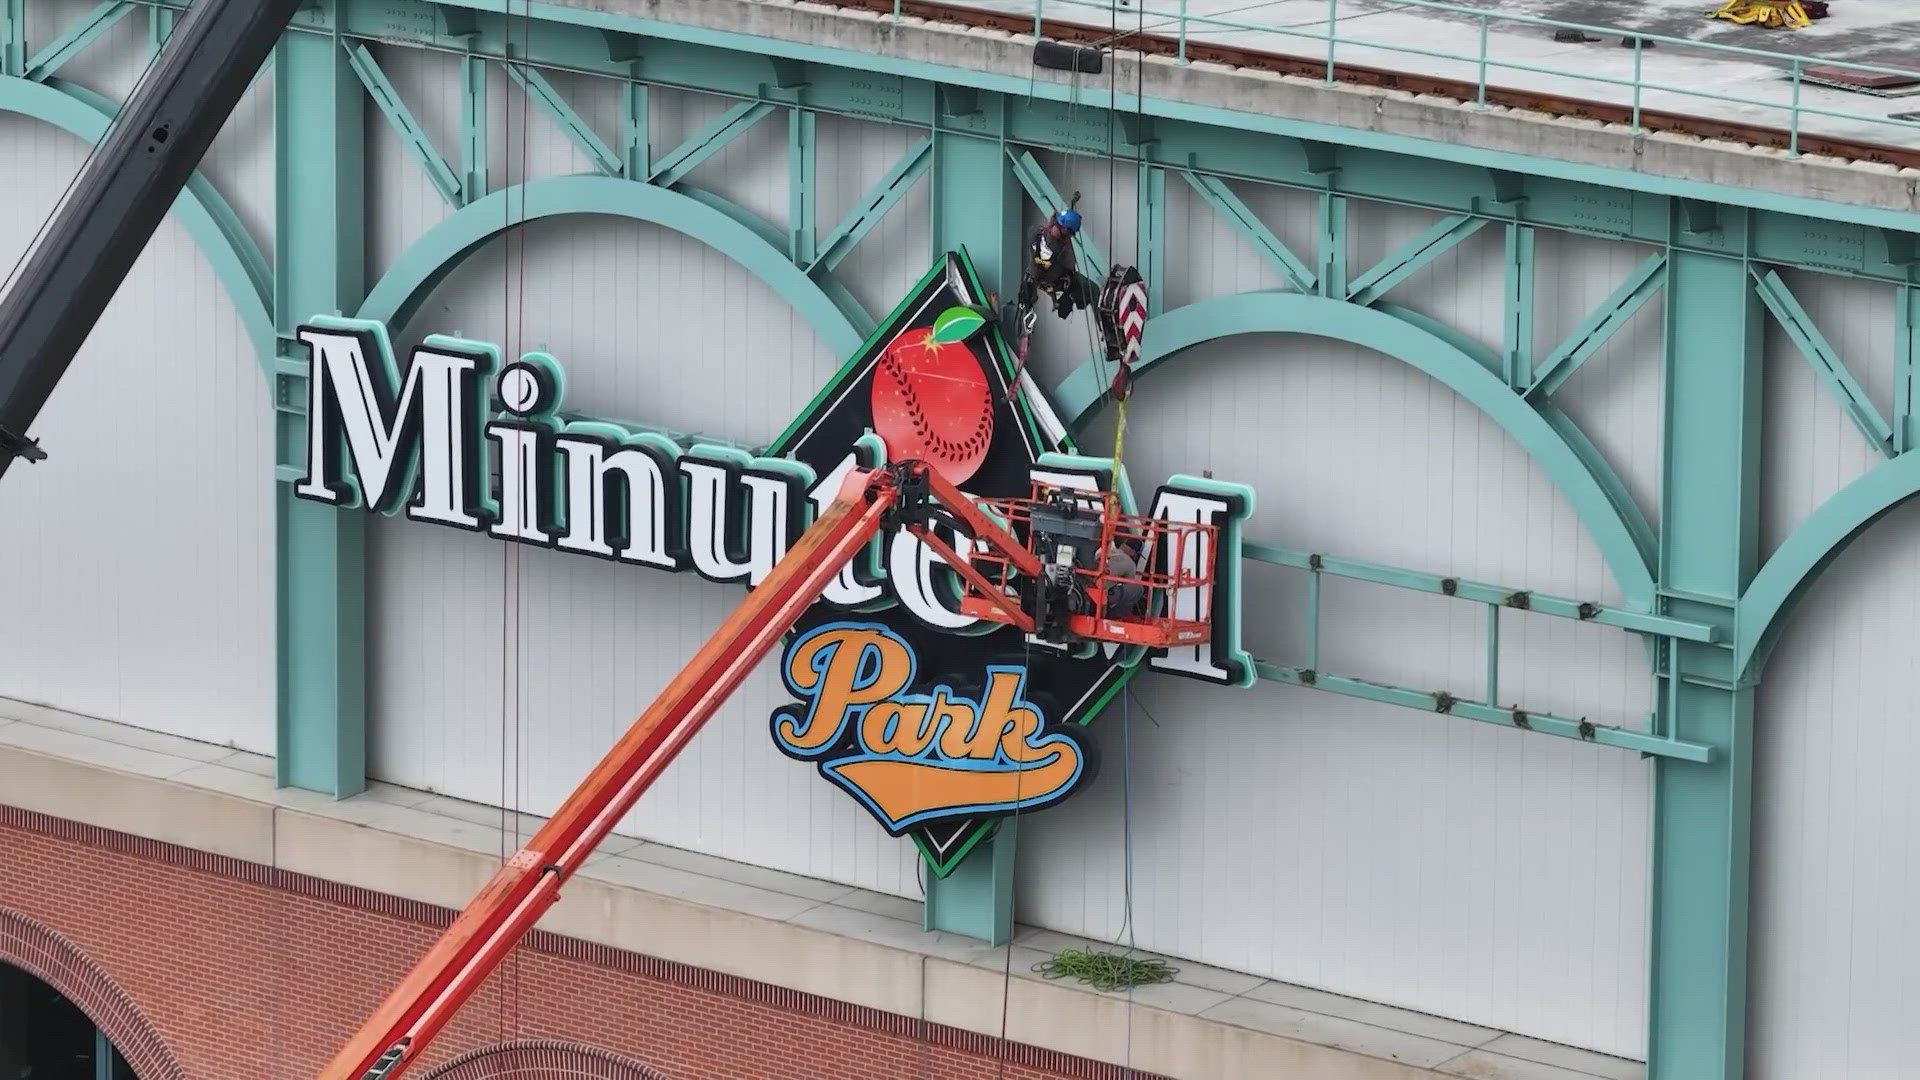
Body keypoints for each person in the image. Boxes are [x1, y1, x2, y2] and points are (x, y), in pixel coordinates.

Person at [1019, 204, 1097, 320]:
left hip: (1050, 279)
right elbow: (1065, 266)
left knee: (1089, 291)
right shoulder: (1055, 247)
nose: (1070, 237)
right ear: (1065, 230)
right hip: (1057, 280)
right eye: (1070, 233)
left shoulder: (1039, 233)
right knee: (1094, 291)